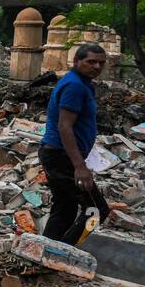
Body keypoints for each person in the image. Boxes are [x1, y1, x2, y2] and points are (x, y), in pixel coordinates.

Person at [40, 43, 111, 244]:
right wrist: (79, 166)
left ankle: (45, 251)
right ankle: (65, 252)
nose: (96, 67)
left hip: (57, 155)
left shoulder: (81, 83)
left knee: (65, 208)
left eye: (101, 63)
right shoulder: (75, 86)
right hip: (62, 157)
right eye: (91, 62)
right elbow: (65, 126)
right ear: (76, 62)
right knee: (96, 210)